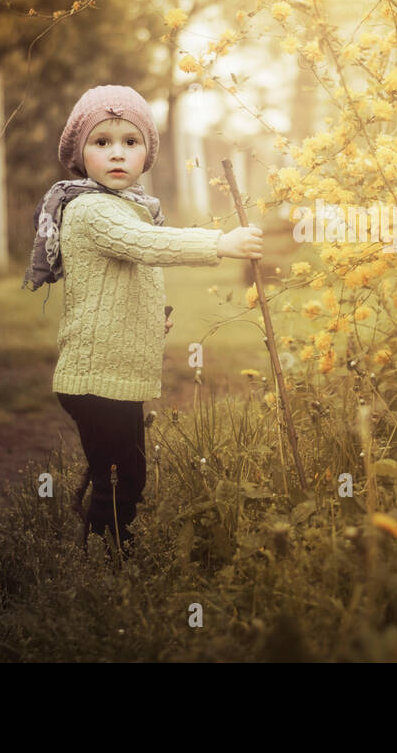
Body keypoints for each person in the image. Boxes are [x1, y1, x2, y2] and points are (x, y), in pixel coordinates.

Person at [22, 84, 262, 562]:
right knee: (122, 475)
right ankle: (107, 557)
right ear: (79, 153)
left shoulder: (127, 208)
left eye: (130, 143)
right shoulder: (91, 209)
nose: (117, 153)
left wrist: (150, 318)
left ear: (147, 154)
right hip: (95, 377)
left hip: (114, 375)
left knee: (122, 469)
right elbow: (146, 246)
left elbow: (128, 272)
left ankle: (107, 551)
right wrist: (220, 244)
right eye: (102, 142)